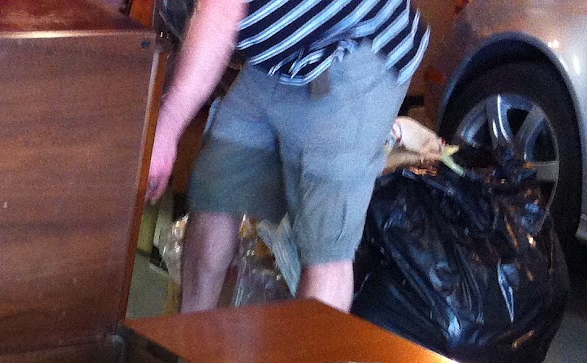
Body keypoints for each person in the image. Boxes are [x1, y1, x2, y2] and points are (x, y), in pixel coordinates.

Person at [145, 0, 429, 312]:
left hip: (356, 47)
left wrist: (167, 127)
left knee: (324, 246)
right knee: (216, 189)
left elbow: (220, 11)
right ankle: (190, 331)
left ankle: (310, 345)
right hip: (279, 58)